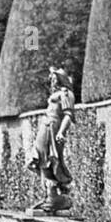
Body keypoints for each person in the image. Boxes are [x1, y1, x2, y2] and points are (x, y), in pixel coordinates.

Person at [27, 66, 76, 214]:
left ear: (61, 79)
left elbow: (68, 115)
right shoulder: (56, 93)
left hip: (53, 127)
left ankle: (55, 195)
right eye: (51, 78)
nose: (52, 81)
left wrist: (61, 132)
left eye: (54, 78)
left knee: (52, 158)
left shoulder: (66, 94)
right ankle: (51, 195)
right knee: (39, 158)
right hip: (45, 126)